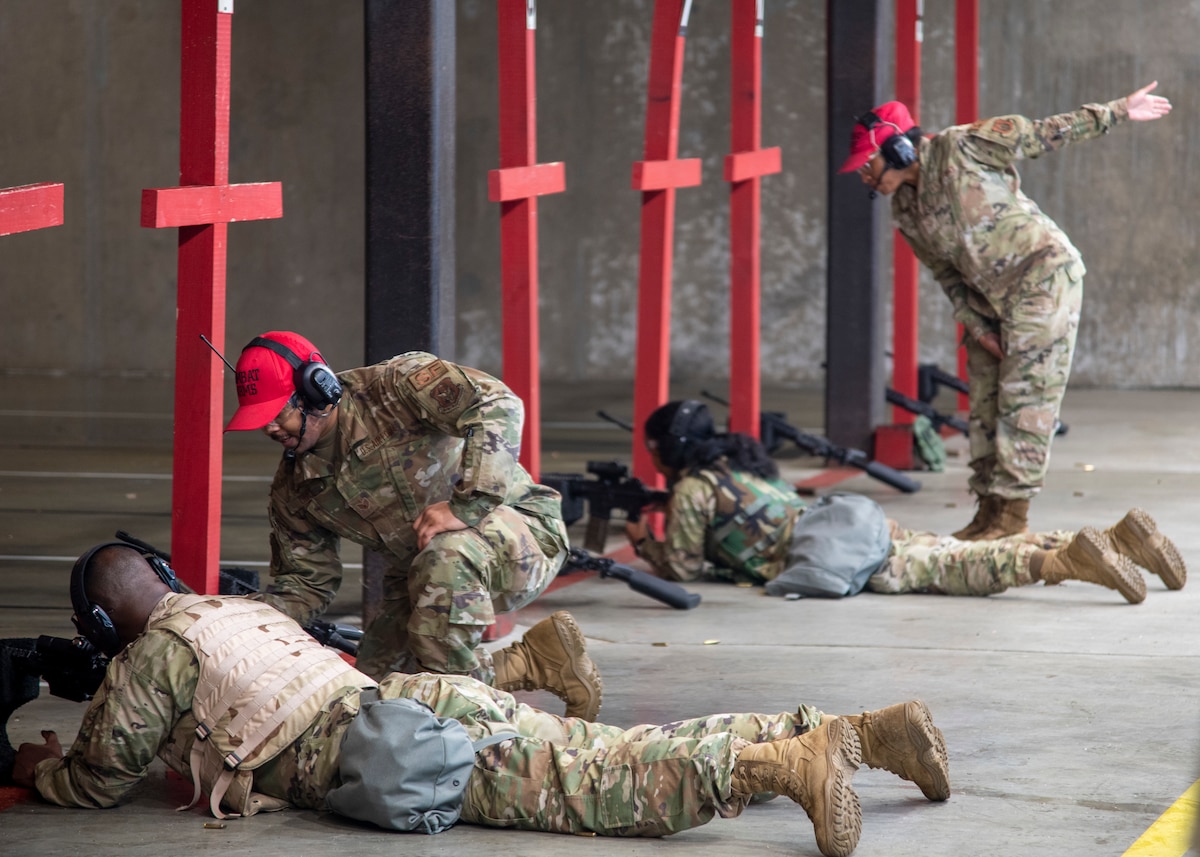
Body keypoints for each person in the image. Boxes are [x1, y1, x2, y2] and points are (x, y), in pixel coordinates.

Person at [13, 543, 953, 857]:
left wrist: (38, 770)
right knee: (615, 746)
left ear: (104, 626)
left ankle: (778, 762)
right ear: (165, 572)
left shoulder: (154, 657)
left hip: (391, 746)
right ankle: (858, 732)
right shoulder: (230, 606)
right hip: (417, 701)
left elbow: (102, 778)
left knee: (606, 785)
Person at [838, 83, 1173, 540]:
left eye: (867, 163)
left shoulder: (962, 147)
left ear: (898, 149)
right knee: (986, 406)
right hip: (989, 304)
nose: (863, 175)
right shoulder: (906, 210)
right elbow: (947, 275)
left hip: (1042, 280)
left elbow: (1041, 134)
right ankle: (988, 513)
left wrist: (1116, 112)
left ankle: (1013, 519)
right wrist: (977, 327)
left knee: (1025, 399)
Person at [222, 331, 601, 720]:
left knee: (445, 559)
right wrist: (236, 623)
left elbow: (498, 403)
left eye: (277, 413)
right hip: (424, 576)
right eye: (261, 420)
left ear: (316, 390)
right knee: (377, 704)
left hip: (523, 535)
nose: (270, 429)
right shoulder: (295, 489)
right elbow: (305, 584)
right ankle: (536, 660)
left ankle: (478, 741)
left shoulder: (396, 387)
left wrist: (467, 505)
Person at [625, 401, 1187, 603]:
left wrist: (642, 544)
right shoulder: (741, 464)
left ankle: (1067, 561)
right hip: (848, 526)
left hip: (837, 555)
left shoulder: (695, 490)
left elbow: (684, 566)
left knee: (956, 566)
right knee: (943, 547)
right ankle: (1115, 541)